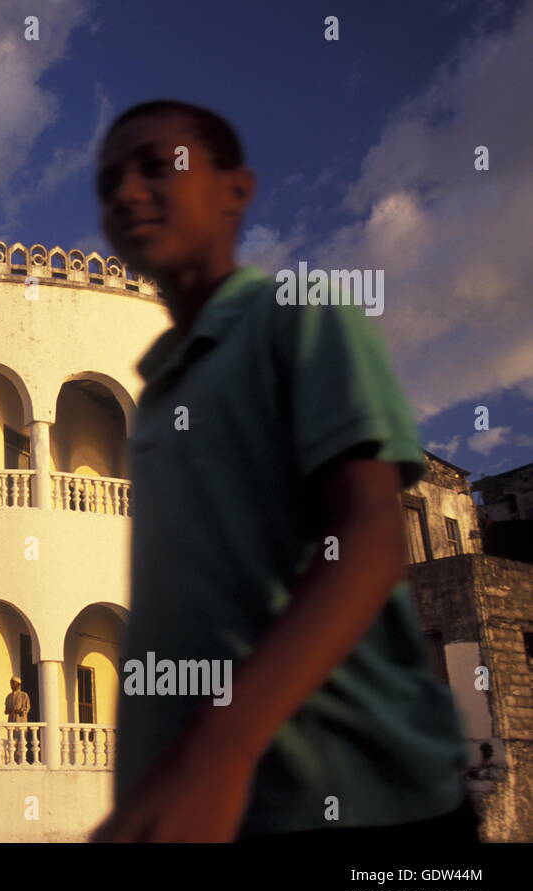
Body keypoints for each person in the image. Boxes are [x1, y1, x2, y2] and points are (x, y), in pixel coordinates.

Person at [90, 100, 472, 842]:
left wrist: (218, 753)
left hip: (368, 807)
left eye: (156, 166)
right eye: (109, 182)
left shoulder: (303, 320)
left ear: (236, 189)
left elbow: (369, 538)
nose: (127, 193)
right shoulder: (160, 388)